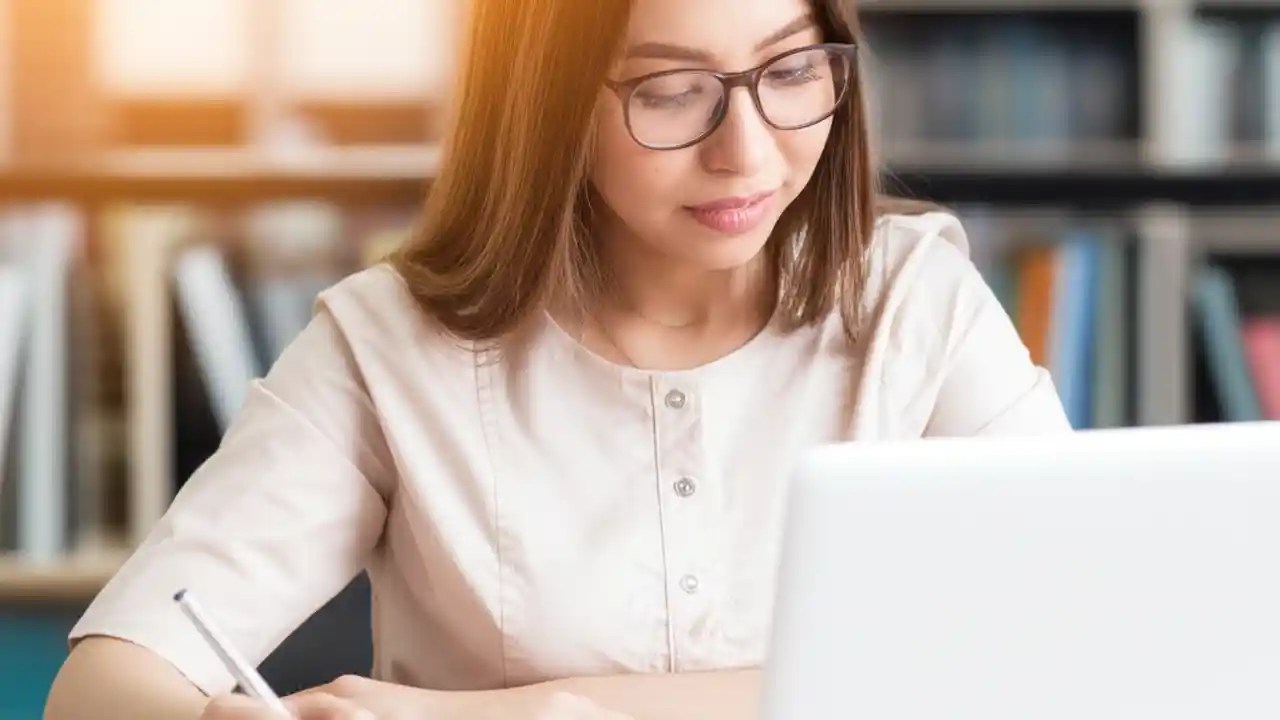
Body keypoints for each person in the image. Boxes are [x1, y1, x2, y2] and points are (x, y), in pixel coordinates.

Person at [45, 0, 1071, 717]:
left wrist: (518, 713)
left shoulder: (914, 305)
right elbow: (106, 683)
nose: (747, 152)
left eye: (793, 70)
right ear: (545, 98)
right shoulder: (387, 346)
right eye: (672, 91)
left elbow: (1065, 644)